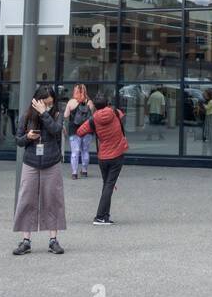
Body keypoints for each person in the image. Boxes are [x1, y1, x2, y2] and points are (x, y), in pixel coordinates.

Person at [12, 85, 67, 255]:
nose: (48, 106)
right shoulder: (26, 116)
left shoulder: (57, 115)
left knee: (53, 199)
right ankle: (26, 240)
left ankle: (53, 240)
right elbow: (18, 141)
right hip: (31, 162)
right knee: (26, 199)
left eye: (51, 103)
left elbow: (56, 130)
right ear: (37, 101)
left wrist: (44, 113)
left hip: (52, 162)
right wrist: (27, 137)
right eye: (45, 103)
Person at [77, 92, 128, 225]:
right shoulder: (115, 113)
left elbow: (80, 132)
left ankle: (105, 216)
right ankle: (100, 216)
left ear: (95, 106)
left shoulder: (93, 119)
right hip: (117, 154)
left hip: (103, 157)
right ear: (107, 103)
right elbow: (123, 117)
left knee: (107, 185)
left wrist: (93, 124)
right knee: (109, 186)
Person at [65, 84, 94, 179]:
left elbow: (66, 115)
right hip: (87, 130)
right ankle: (84, 171)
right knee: (85, 151)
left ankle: (74, 173)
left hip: (74, 130)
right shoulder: (90, 103)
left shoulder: (71, 102)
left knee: (75, 152)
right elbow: (92, 116)